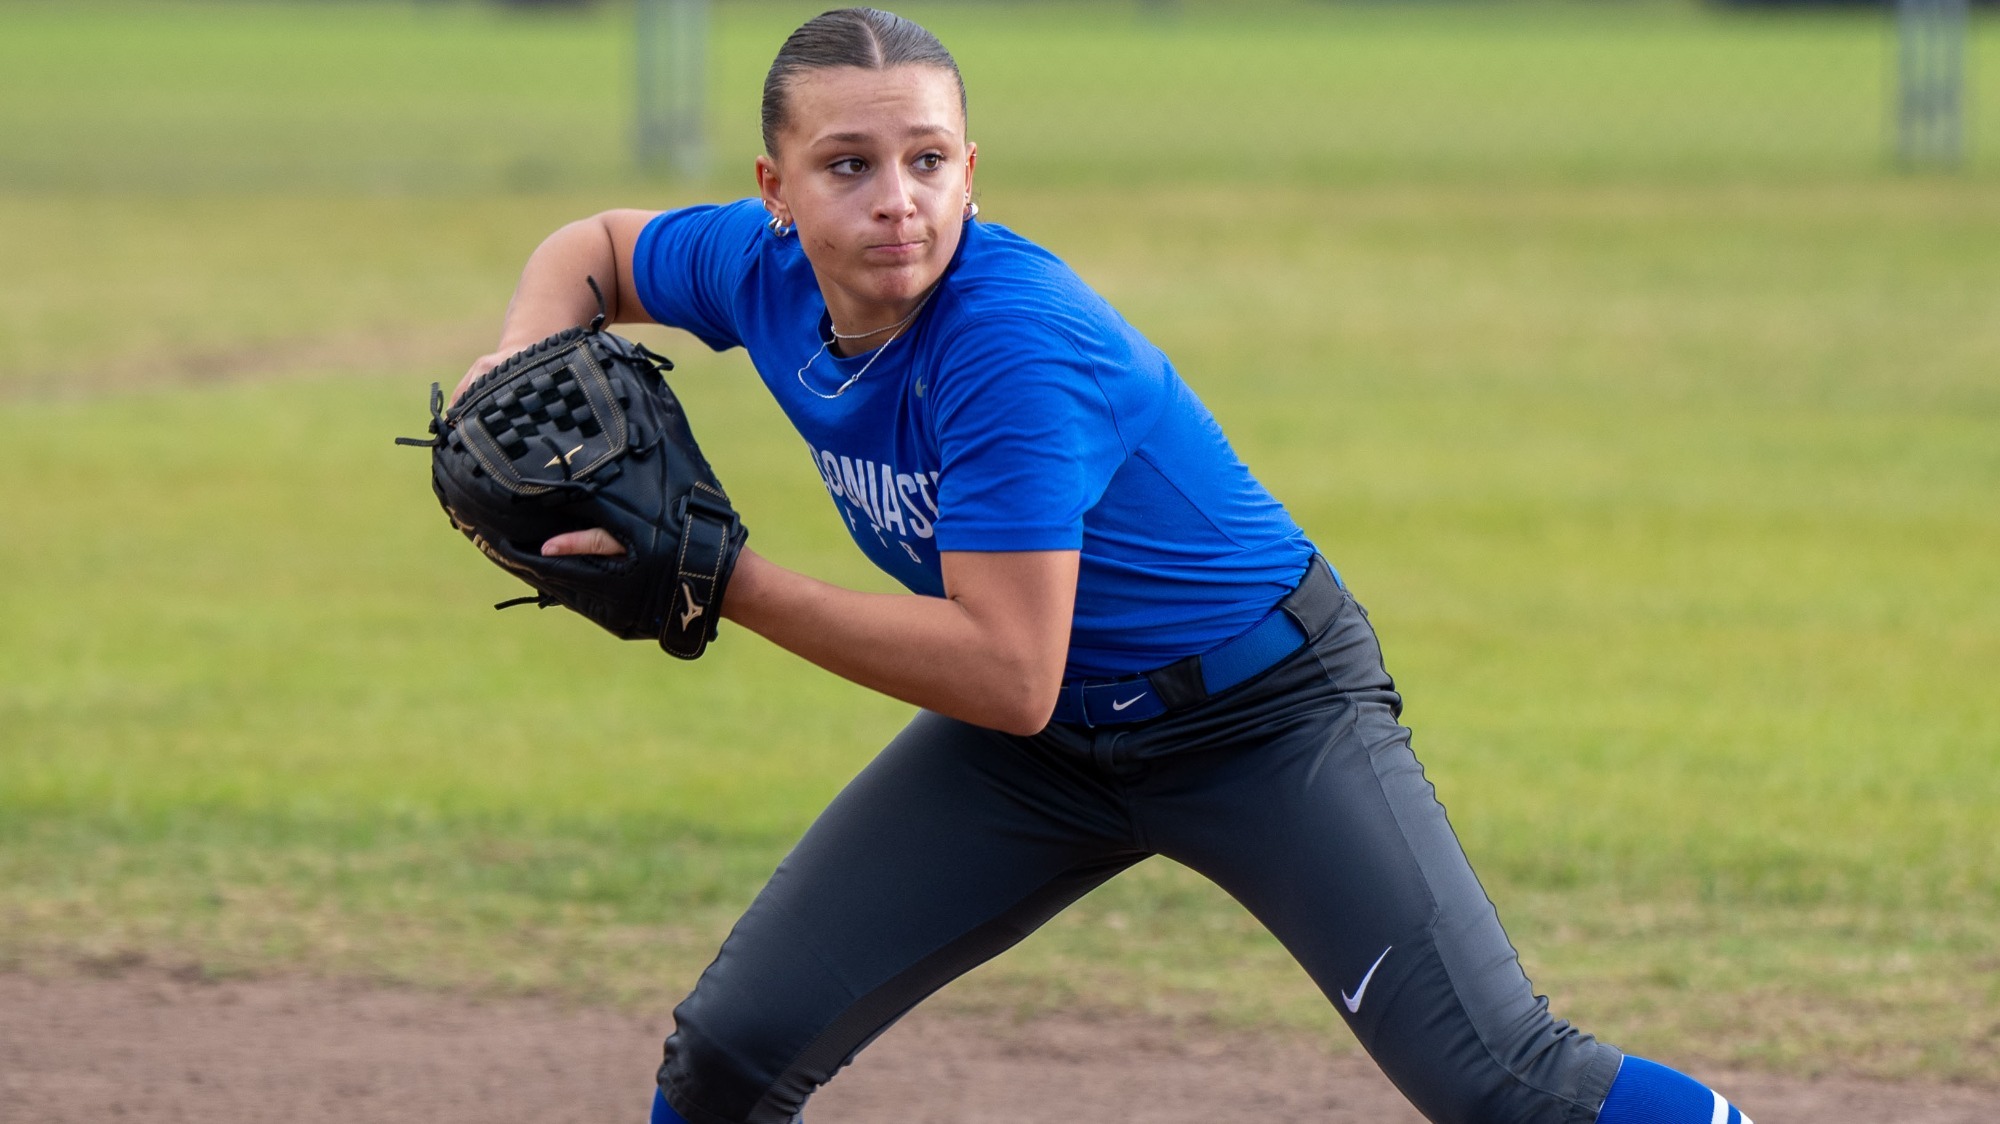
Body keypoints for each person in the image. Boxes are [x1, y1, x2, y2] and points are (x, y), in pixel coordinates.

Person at [454, 9, 1754, 1124]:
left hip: (1262, 719)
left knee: (1502, 1084)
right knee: (735, 1046)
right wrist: (512, 362)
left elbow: (1006, 670)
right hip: (1044, 752)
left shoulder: (1012, 346)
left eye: (928, 160)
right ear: (775, 190)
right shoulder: (758, 269)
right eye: (847, 164)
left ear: (973, 171)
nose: (896, 199)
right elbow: (597, 252)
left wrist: (721, 581)